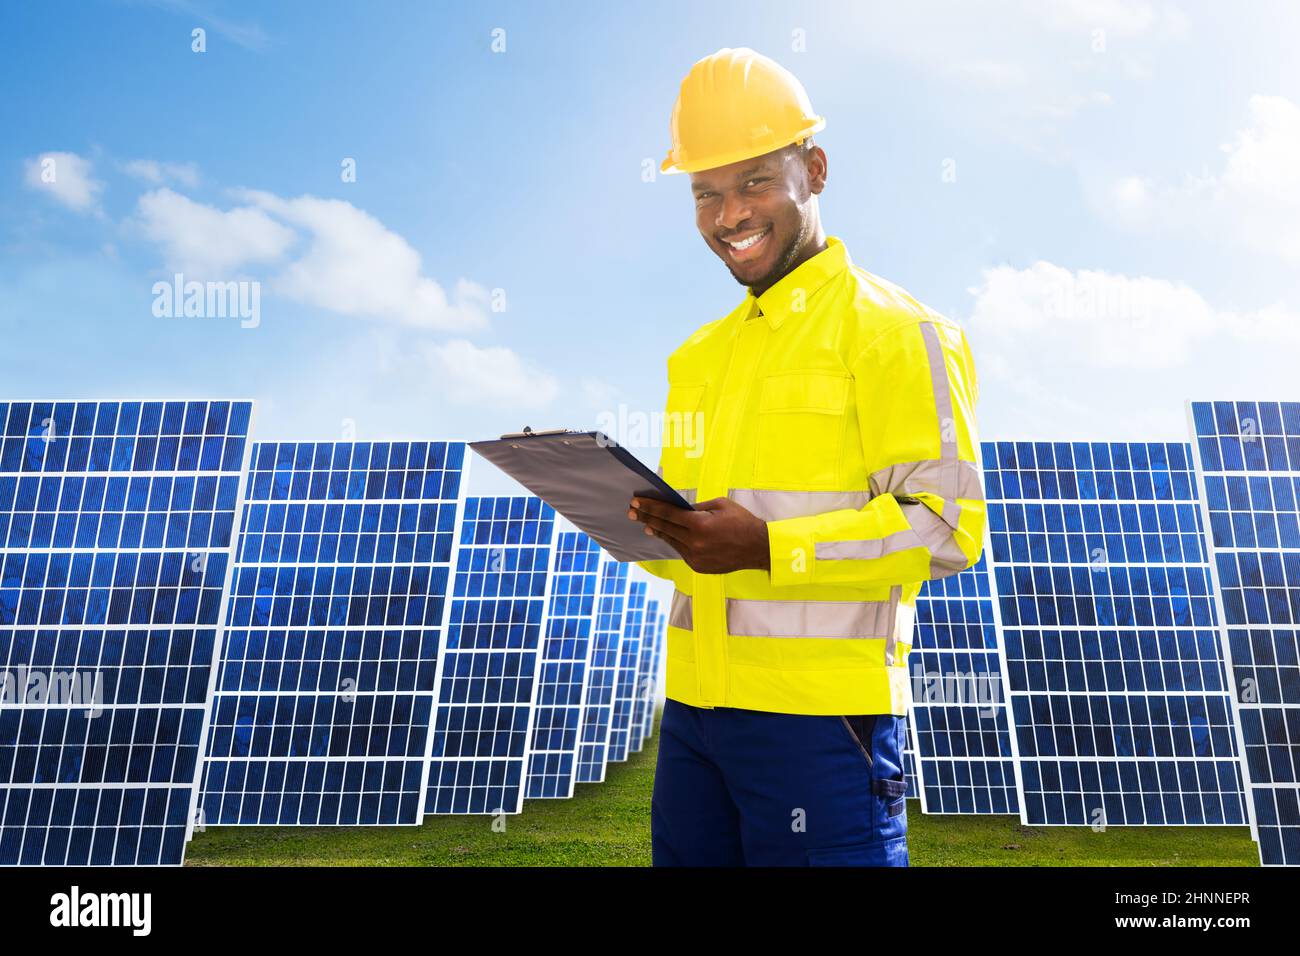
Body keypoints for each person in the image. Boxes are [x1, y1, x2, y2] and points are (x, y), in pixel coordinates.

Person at [628, 47, 984, 866]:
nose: (728, 215)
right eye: (705, 192)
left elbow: (947, 527)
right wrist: (649, 526)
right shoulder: (698, 357)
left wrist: (767, 548)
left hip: (822, 727)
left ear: (813, 170)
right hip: (690, 716)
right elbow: (695, 541)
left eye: (754, 181)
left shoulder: (899, 333)